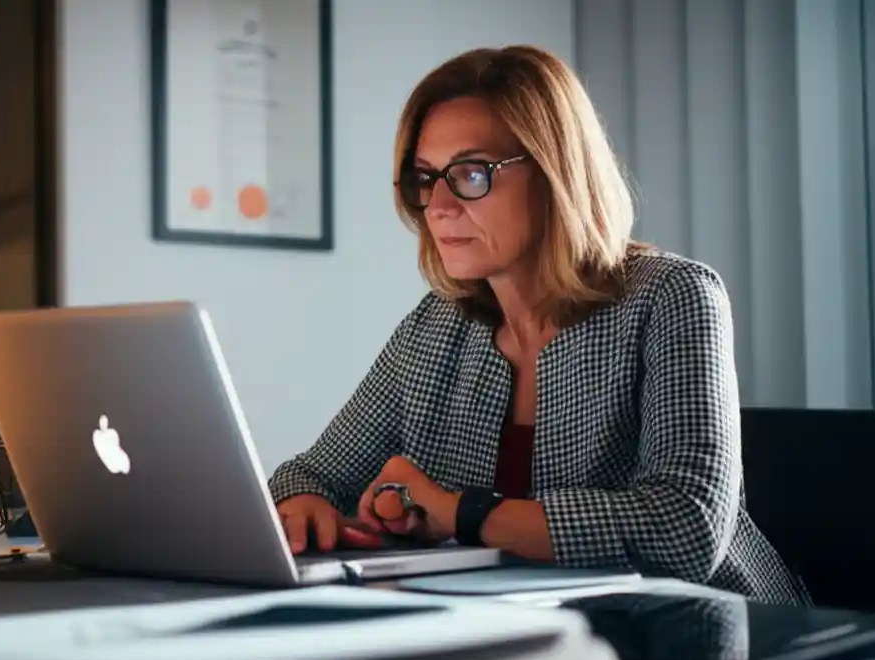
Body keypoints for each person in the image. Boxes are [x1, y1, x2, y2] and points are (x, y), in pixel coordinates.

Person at [268, 45, 805, 604]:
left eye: (471, 173)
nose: (439, 207)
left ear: (555, 173)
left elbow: (686, 526)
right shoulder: (435, 329)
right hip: (519, 633)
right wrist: (303, 504)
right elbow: (310, 475)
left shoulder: (672, 297)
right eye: (426, 177)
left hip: (709, 634)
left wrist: (459, 512)